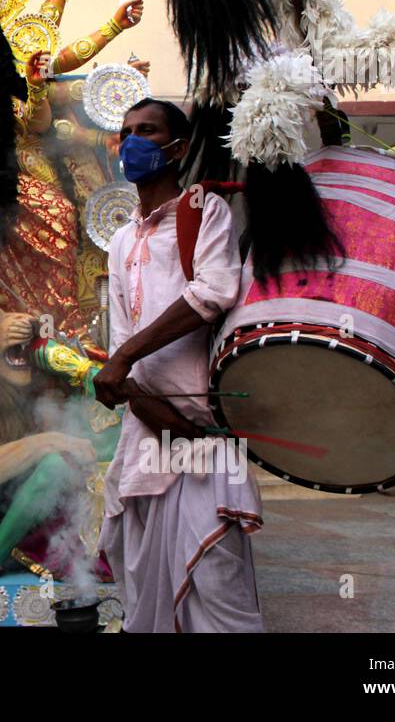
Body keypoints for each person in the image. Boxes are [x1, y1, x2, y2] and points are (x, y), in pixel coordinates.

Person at [93, 97, 264, 632]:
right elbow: (125, 348)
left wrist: (124, 361)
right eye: (126, 132)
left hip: (207, 433)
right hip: (152, 432)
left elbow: (214, 291)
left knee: (214, 581)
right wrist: (154, 413)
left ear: (179, 146)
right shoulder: (120, 240)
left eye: (148, 130)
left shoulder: (203, 211)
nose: (134, 141)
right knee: (145, 581)